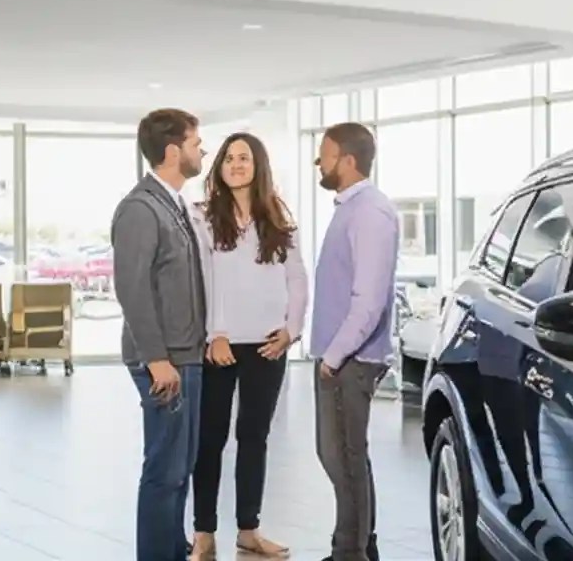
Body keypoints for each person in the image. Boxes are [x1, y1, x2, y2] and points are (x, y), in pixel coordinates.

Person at [188, 132, 308, 560]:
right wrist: (213, 333)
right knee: (210, 440)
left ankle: (248, 530)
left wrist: (291, 330)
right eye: (229, 157)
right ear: (219, 167)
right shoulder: (201, 217)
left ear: (258, 165)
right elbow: (203, 280)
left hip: (268, 345)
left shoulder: (278, 219)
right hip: (219, 345)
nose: (237, 164)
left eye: (245, 157)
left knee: (254, 437)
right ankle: (203, 533)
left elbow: (297, 279)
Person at [112, 108, 207, 561]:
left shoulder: (174, 203)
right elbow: (132, 289)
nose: (201, 149)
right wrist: (156, 358)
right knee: (164, 470)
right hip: (163, 359)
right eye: (195, 142)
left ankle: (174, 551)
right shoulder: (139, 208)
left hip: (185, 355)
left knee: (180, 469)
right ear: (174, 151)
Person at [310, 122, 399, 561]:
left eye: (324, 155)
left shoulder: (369, 212)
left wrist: (333, 357)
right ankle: (360, 547)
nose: (318, 163)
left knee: (343, 459)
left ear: (347, 160)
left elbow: (369, 299)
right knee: (346, 459)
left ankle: (350, 554)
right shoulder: (351, 207)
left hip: (351, 360)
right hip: (342, 357)